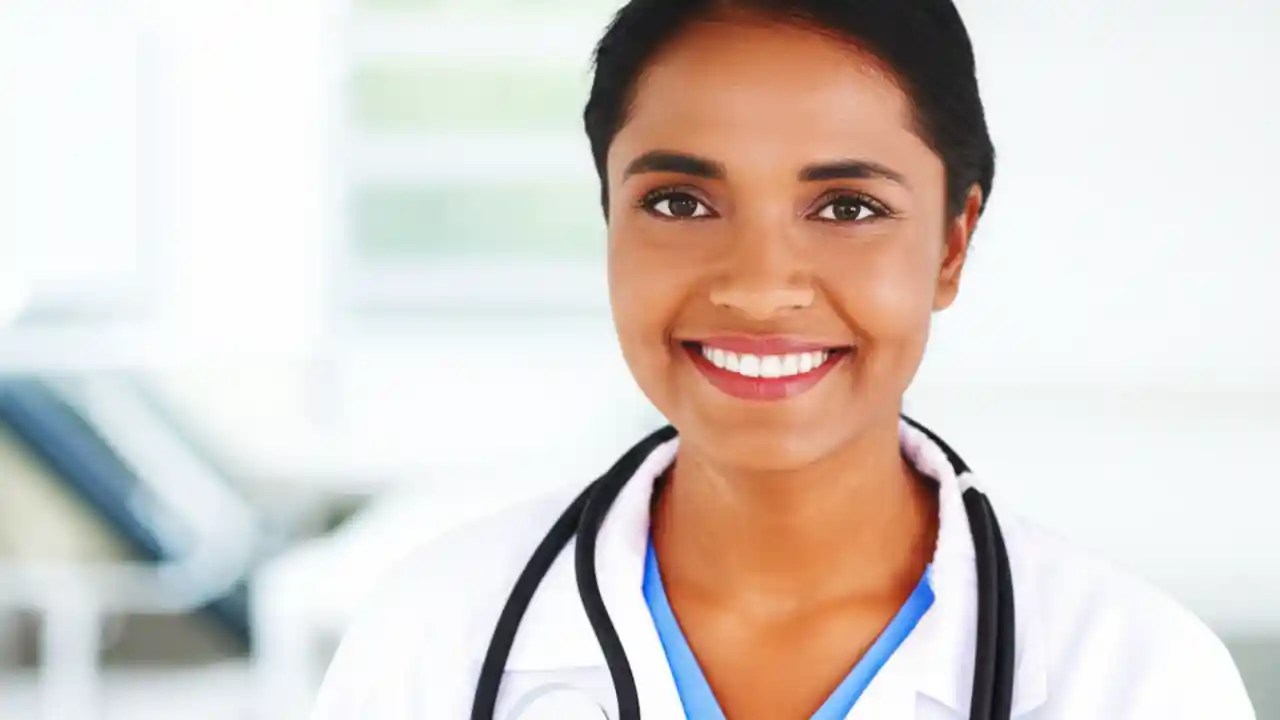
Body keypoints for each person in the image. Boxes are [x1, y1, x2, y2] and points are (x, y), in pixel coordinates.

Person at [310, 1, 1256, 718]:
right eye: (680, 203)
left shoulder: (1139, 679)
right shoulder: (433, 642)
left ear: (952, 244)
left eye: (847, 208)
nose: (759, 289)